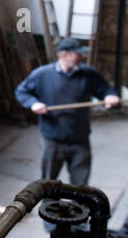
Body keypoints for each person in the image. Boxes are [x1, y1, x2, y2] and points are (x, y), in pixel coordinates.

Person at [14, 37, 120, 186]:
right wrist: (34, 104)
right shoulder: (42, 75)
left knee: (81, 187)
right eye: (78, 54)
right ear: (64, 55)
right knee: (47, 185)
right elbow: (21, 91)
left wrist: (110, 95)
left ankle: (78, 209)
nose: (81, 57)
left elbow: (105, 89)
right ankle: (48, 209)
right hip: (52, 140)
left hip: (80, 140)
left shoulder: (88, 74)